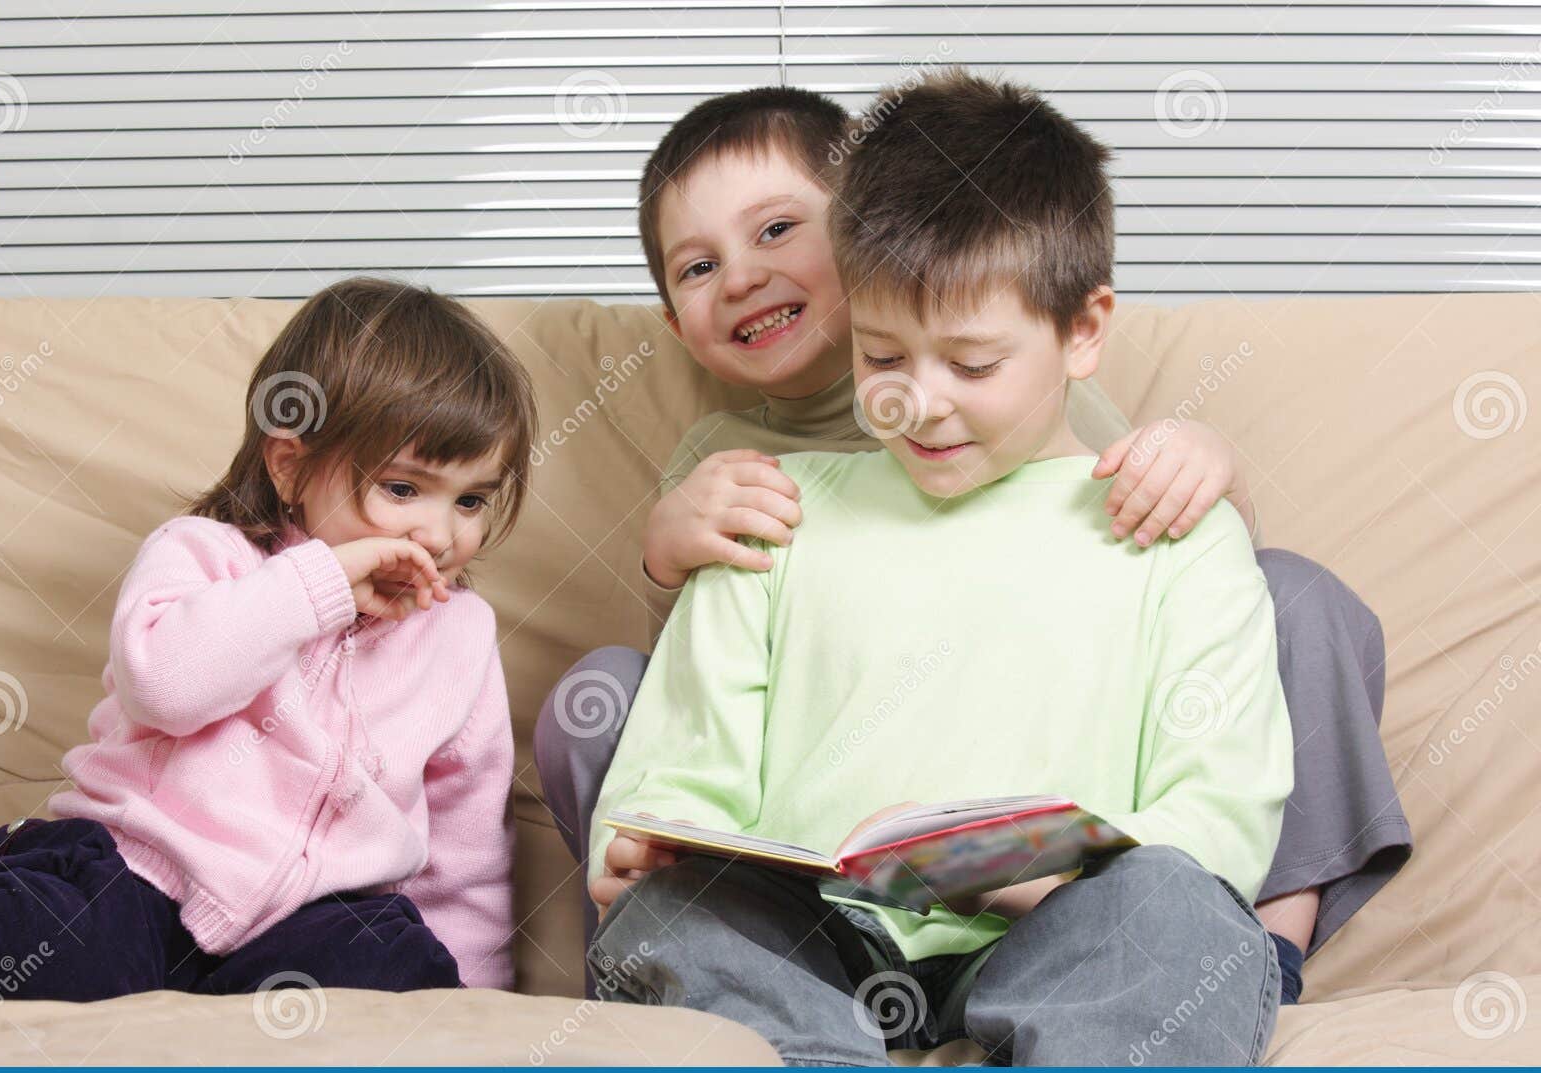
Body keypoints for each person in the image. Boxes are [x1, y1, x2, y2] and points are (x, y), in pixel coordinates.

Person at [537, 84, 1408, 1005]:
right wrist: (665, 557)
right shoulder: (743, 483)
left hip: (1056, 914)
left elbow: (1186, 670)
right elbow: (692, 708)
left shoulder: (1092, 468)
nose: (920, 400)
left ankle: (1261, 945)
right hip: (826, 925)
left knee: (1284, 622)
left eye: (777, 231)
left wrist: (1211, 466)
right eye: (884, 358)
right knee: (635, 797)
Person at [0, 276, 536, 1001]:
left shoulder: (460, 634)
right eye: (402, 489)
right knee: (43, 949)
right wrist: (317, 583)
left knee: (396, 966)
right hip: (133, 874)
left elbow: (467, 849)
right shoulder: (205, 554)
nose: (441, 535)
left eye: (471, 499)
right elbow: (164, 684)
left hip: (313, 919)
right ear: (290, 466)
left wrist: (476, 1005)